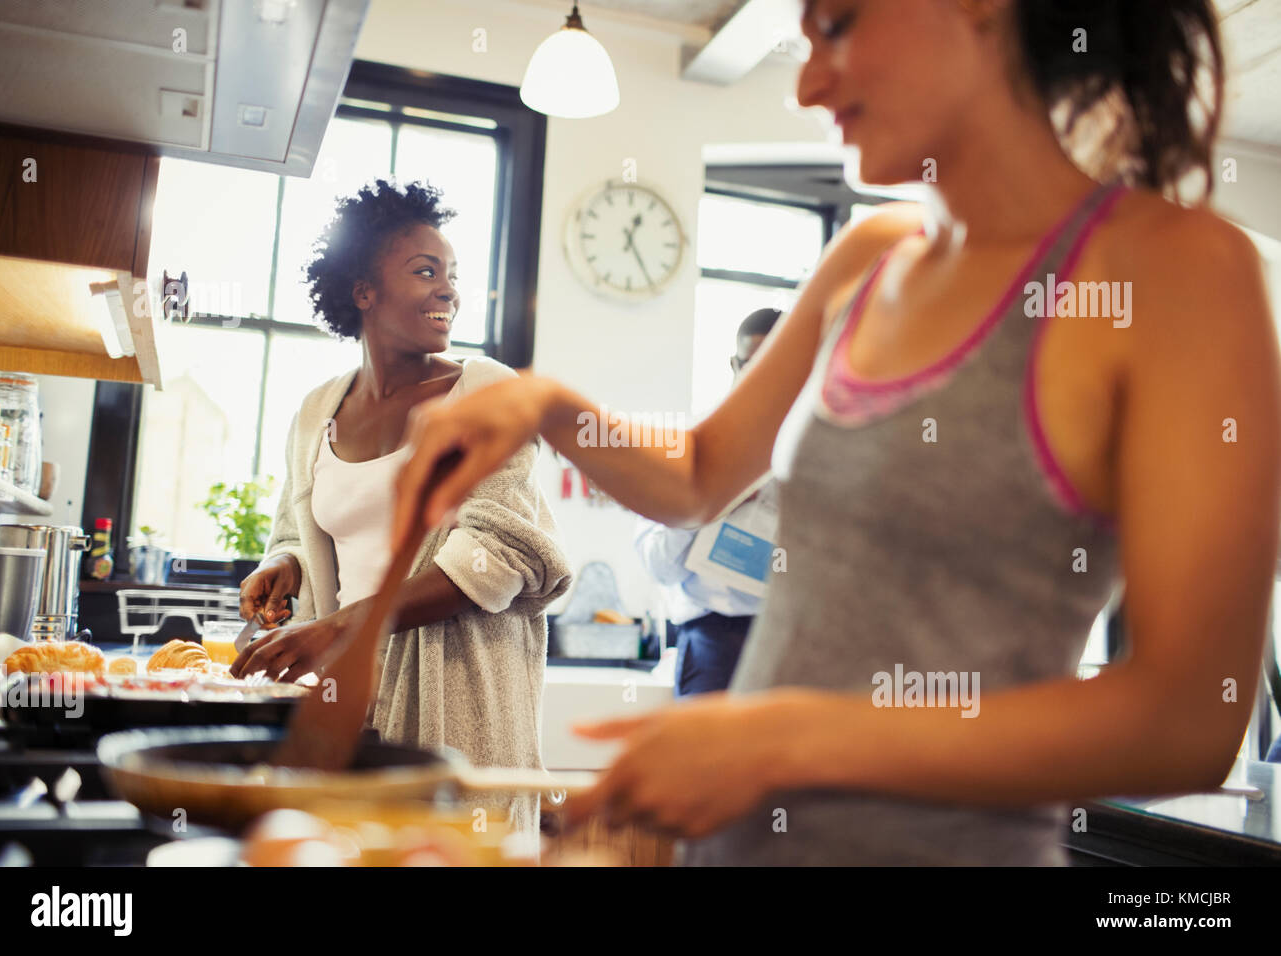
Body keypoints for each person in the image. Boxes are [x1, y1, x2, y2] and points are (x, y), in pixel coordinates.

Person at [388, 0, 1280, 865]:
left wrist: (787, 736)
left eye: (839, 25)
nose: (808, 86)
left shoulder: (1175, 270)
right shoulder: (869, 259)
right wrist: (545, 405)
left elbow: (1191, 721)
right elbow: (701, 473)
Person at [231, 179, 572, 844]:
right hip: (345, 704)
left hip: (458, 701)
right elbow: (297, 529)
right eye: (426, 271)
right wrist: (284, 565)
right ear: (364, 290)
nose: (449, 290)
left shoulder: (487, 394)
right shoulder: (316, 410)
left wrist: (335, 632)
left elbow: (496, 557)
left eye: (453, 276)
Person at [635, 309, 782, 695]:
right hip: (714, 642)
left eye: (780, 365)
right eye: (754, 365)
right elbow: (660, 568)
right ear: (734, 364)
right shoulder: (687, 445)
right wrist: (711, 498)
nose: (767, 378)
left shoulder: (822, 455)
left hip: (794, 642)